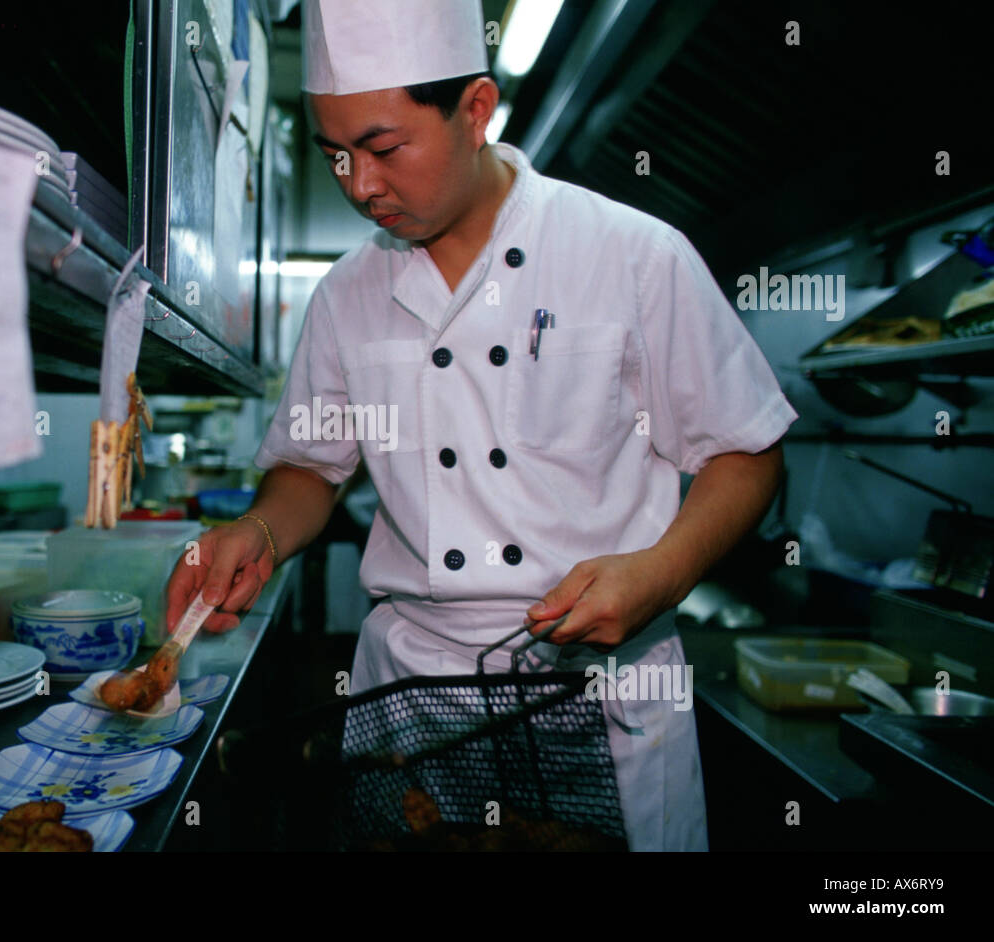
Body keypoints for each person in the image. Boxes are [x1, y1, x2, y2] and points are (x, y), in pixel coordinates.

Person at [165, 0, 797, 851]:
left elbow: (748, 452)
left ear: (475, 108)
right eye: (335, 155)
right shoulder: (348, 295)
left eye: (384, 149)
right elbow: (311, 470)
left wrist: (662, 572)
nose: (359, 186)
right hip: (415, 705)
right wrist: (259, 532)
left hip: (596, 695)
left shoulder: (631, 255)